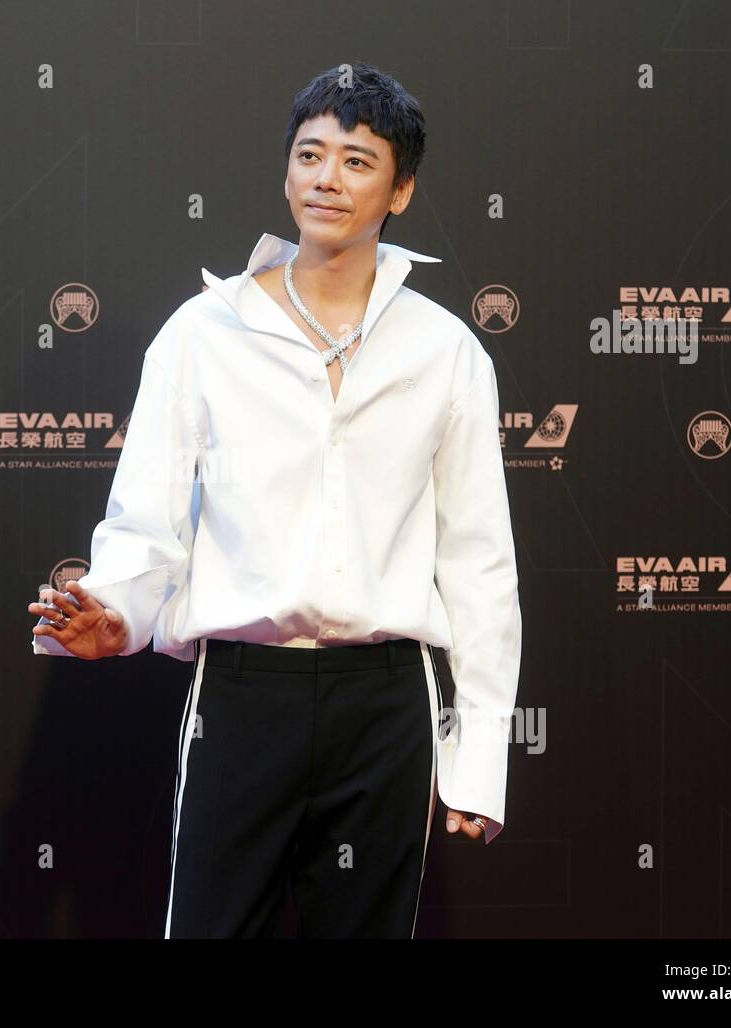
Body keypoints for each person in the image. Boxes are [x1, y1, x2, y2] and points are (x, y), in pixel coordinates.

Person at [27, 62, 522, 938]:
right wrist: (118, 614)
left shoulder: (447, 353)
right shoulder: (201, 333)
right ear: (287, 168)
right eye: (310, 154)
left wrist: (477, 757)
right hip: (244, 699)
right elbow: (146, 521)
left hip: (388, 705)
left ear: (401, 189)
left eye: (357, 161)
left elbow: (478, 564)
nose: (326, 179)